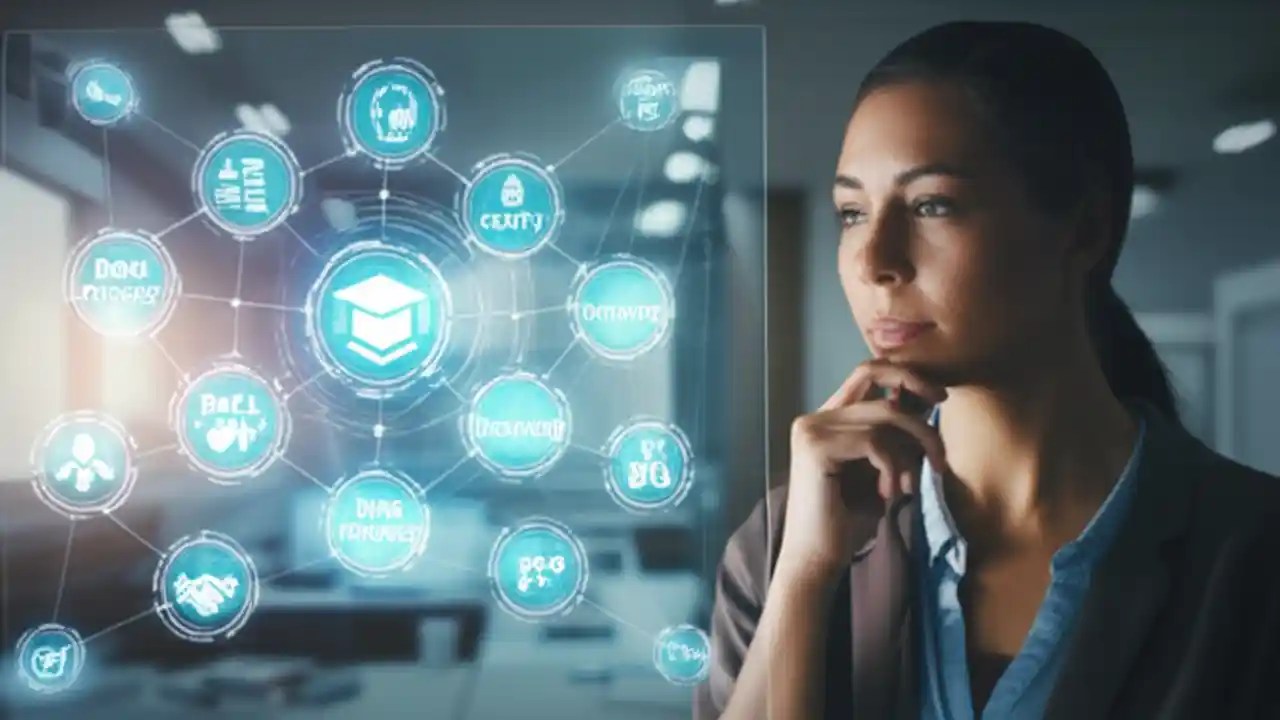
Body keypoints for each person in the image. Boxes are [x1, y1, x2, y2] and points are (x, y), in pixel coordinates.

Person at [695, 20, 1280, 720]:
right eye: (852, 212)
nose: (875, 259)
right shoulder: (782, 543)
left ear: (1085, 229)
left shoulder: (1251, 554)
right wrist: (804, 578)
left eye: (931, 204)